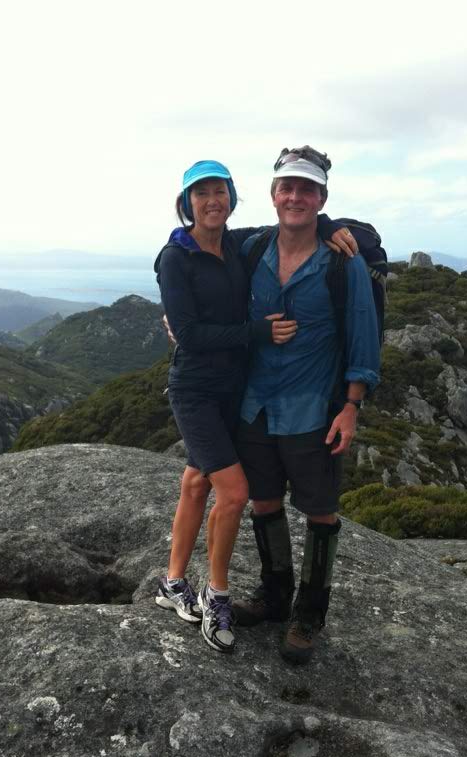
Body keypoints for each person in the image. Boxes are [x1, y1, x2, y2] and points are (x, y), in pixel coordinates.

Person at [153, 159, 358, 654]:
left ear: (232, 197)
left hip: (236, 390)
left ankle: (172, 581)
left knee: (197, 479)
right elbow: (190, 334)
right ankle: (217, 594)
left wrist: (330, 226)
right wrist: (257, 332)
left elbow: (298, 220)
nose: (211, 201)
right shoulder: (175, 257)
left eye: (219, 191)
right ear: (186, 203)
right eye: (200, 194)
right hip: (199, 390)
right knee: (236, 490)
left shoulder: (237, 244)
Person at [232, 146, 380, 665]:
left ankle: (309, 613)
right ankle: (274, 597)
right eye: (286, 187)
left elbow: (363, 333)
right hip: (257, 406)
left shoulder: (344, 262)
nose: (295, 196)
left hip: (314, 408)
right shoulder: (252, 251)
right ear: (273, 195)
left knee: (320, 510)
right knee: (264, 502)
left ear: (321, 198)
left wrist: (351, 406)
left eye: (306, 189)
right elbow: (189, 249)